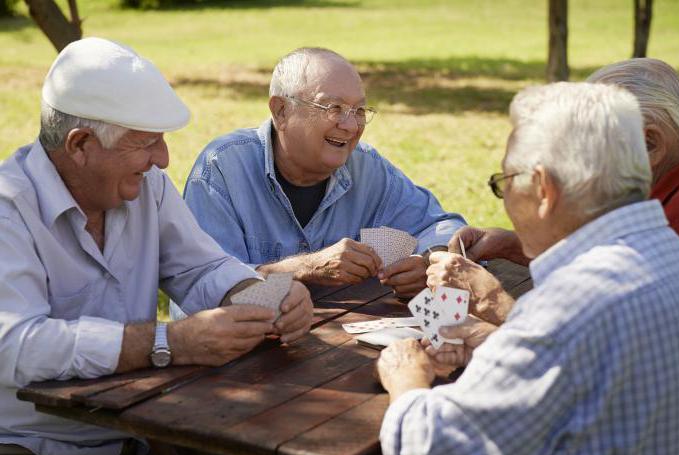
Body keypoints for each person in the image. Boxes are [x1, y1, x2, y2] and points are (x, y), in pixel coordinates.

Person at [0, 38, 313, 455]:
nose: (163, 159)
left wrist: (256, 293)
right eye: (145, 143)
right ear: (80, 145)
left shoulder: (145, 185)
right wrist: (168, 342)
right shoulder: (8, 210)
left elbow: (201, 267)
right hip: (27, 442)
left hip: (137, 427)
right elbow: (16, 345)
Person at [377, 82, 679, 455]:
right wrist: (500, 343)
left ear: (544, 189)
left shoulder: (566, 306)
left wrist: (405, 375)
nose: (508, 201)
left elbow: (431, 448)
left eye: (505, 183)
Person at [180, 47, 465, 298]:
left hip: (342, 351)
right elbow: (205, 289)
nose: (351, 126)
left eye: (359, 110)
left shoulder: (366, 167)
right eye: (334, 108)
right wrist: (305, 268)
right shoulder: (222, 170)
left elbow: (442, 227)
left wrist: (427, 261)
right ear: (281, 111)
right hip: (250, 352)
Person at [452, 58, 679, 265]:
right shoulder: (661, 195)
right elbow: (598, 258)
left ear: (650, 145)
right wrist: (512, 244)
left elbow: (606, 296)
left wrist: (490, 301)